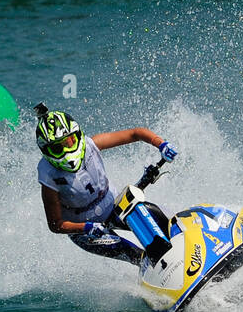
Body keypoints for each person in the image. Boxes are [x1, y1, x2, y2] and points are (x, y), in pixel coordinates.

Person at [35, 104, 178, 267]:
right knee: (135, 254)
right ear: (46, 150)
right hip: (86, 231)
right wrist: (87, 227)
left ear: (77, 134)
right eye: (57, 148)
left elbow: (135, 133)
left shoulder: (91, 145)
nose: (66, 150)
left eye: (69, 141)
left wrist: (161, 144)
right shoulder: (48, 177)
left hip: (114, 206)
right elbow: (56, 224)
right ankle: (163, 277)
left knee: (161, 221)